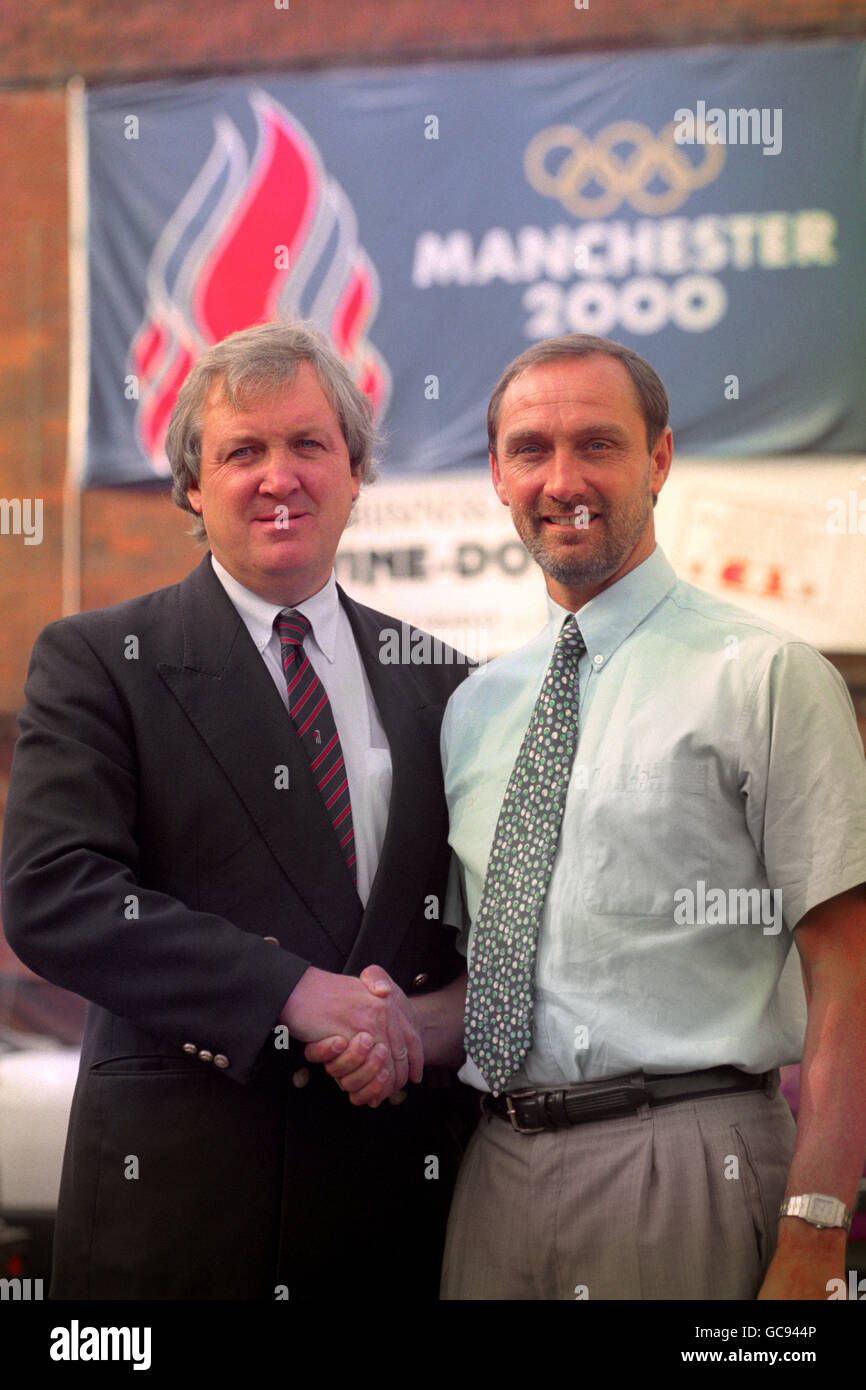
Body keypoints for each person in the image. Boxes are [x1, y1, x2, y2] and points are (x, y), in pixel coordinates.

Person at [311, 333, 866, 1301]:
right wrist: (378, 1023)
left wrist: (816, 1231)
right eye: (529, 449)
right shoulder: (475, 709)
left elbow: (848, 976)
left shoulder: (769, 678)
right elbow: (499, 984)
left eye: (596, 445)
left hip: (689, 1168)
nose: (562, 478)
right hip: (496, 1179)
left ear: (657, 459)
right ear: (494, 474)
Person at [1, 321, 472, 1300]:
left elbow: (485, 933)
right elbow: (55, 893)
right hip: (183, 1216)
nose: (277, 476)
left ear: (354, 472)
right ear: (190, 485)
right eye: (241, 451)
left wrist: (420, 1025)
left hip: (394, 1209)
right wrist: (289, 992)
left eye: (306, 444)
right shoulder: (99, 663)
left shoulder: (440, 681)